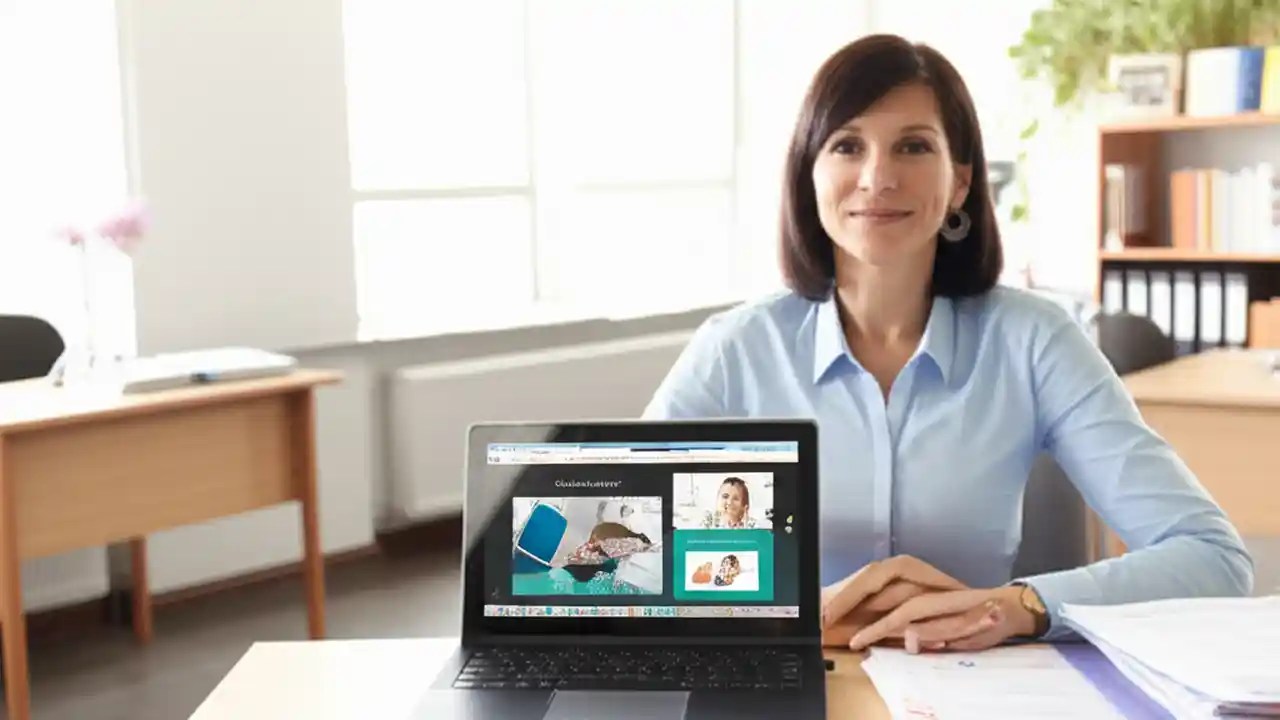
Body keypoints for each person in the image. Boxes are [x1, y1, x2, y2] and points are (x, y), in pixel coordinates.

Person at [643, 34, 1252, 654]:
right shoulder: (735, 351)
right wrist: (787, 606)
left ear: (960, 182)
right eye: (847, 145)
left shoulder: (1035, 342)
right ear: (810, 175)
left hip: (974, 687)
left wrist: (1017, 605)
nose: (877, 177)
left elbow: (1212, 558)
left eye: (913, 146)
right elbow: (616, 563)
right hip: (788, 678)